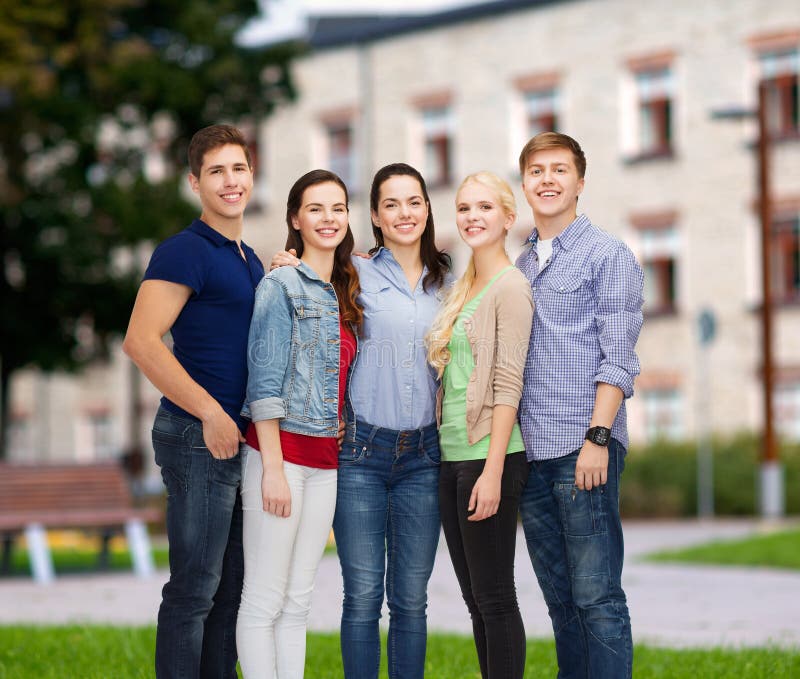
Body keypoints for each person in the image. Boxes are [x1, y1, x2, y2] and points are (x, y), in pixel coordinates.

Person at [272, 162, 451, 679]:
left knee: (411, 600)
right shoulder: (351, 270)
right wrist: (284, 263)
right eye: (390, 204)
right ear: (373, 215)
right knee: (363, 596)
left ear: (426, 208)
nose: (404, 213)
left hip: (425, 456)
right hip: (360, 455)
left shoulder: (450, 282)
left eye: (413, 201)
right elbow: (300, 284)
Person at [122, 124, 264, 678]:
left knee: (229, 591)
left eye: (238, 168)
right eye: (216, 171)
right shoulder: (184, 251)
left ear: (251, 174)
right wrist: (210, 412)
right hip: (195, 435)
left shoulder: (247, 258)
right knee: (194, 591)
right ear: (194, 182)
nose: (230, 181)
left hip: (234, 438)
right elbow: (140, 341)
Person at [515, 132, 644, 679]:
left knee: (597, 600)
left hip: (583, 447)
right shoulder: (519, 266)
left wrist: (597, 438)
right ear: (524, 184)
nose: (547, 179)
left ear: (580, 182)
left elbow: (618, 358)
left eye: (559, 170)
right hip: (533, 454)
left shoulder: (608, 256)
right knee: (562, 604)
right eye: (537, 170)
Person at [236, 169, 362, 679]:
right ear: (295, 219)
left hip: (325, 464)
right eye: (316, 208)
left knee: (299, 600)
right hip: (280, 458)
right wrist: (270, 467)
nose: (328, 218)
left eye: (337, 208)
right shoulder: (280, 284)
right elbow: (263, 382)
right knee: (264, 597)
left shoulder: (346, 293)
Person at [427, 172, 533, 679]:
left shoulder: (510, 288)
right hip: (452, 460)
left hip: (489, 458)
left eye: (485, 208)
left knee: (494, 597)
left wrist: (492, 472)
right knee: (474, 599)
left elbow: (509, 383)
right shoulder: (466, 286)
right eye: (465, 208)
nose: (473, 217)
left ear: (508, 218)